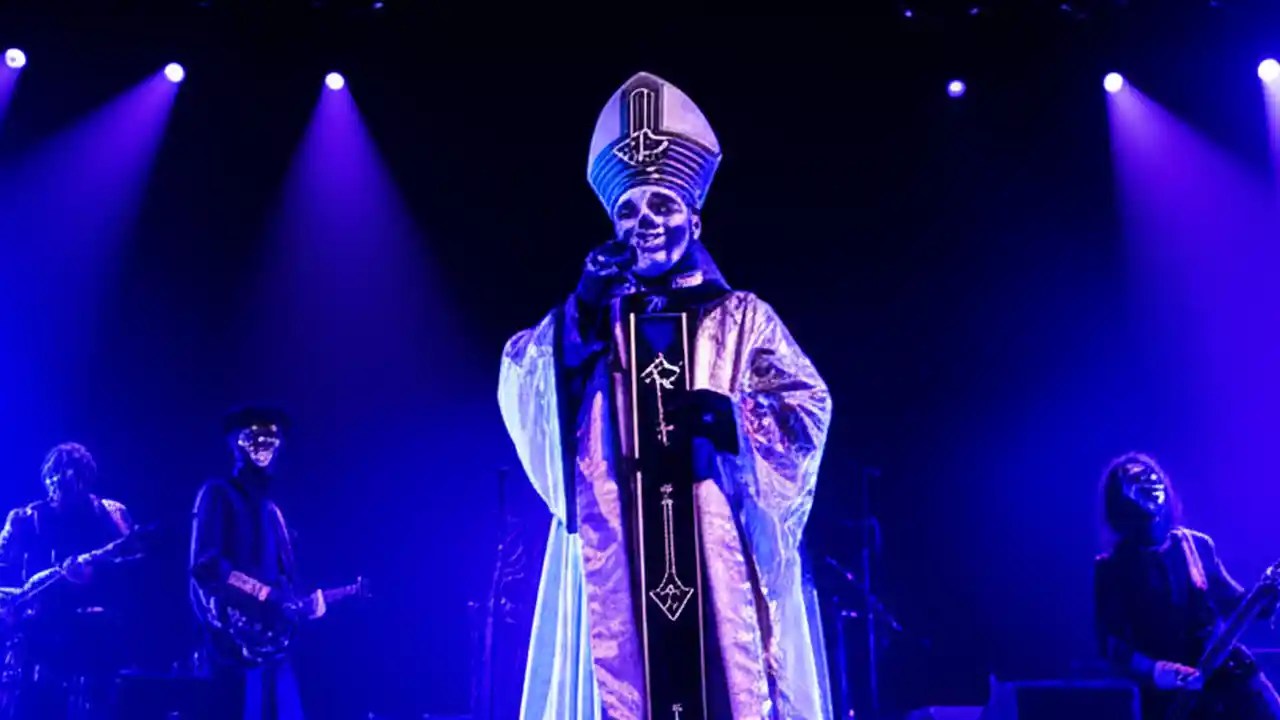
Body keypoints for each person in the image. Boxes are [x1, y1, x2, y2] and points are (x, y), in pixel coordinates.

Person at [498, 71, 832, 720]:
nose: (644, 223)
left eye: (662, 206)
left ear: (696, 218)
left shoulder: (741, 318)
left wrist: (736, 422)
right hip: (619, 554)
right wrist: (584, 308)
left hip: (717, 550)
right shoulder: (592, 324)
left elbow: (808, 410)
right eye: (629, 210)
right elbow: (528, 384)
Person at [1093, 451, 1280, 720]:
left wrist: (1266, 596)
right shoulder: (1112, 569)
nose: (1148, 481)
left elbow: (1236, 603)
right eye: (1135, 478)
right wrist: (1160, 671)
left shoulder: (1196, 546)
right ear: (1119, 498)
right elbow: (1111, 645)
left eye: (1151, 475)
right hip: (1173, 698)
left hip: (1229, 676)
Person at [189, 407, 325, 720]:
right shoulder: (218, 494)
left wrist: (302, 603)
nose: (264, 444)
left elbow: (283, 578)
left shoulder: (272, 510)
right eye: (254, 436)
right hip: (233, 649)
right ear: (235, 442)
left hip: (273, 646)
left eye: (272, 437)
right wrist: (262, 594)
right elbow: (208, 567)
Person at [0, 442, 136, 719]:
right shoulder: (26, 519)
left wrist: (94, 577)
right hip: (36, 630)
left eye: (67, 475)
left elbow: (134, 569)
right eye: (53, 474)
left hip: (93, 633)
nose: (58, 482)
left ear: (84, 478)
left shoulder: (110, 515)